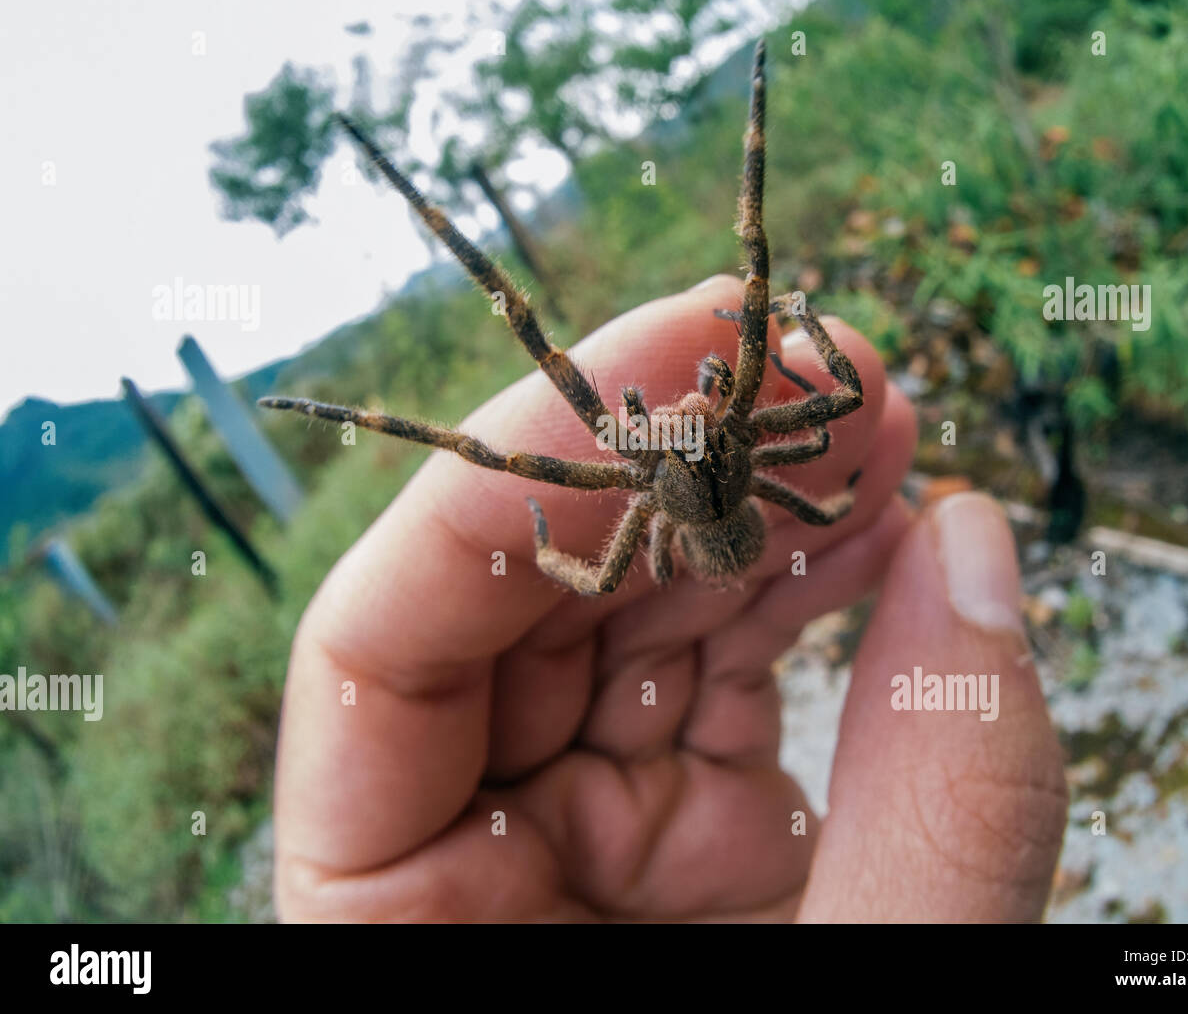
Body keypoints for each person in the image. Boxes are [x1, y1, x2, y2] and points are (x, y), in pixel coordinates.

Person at [272, 275, 1066, 922]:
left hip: (719, 526)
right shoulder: (724, 439)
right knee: (520, 443)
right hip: (726, 523)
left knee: (514, 441)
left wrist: (549, 544)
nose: (685, 420)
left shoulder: (644, 461)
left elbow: (572, 539)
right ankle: (332, 409)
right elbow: (829, 416)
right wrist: (797, 322)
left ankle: (337, 410)